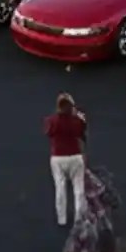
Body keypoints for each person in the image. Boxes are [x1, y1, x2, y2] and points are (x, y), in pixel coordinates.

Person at [45, 93, 88, 227]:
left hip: (57, 158)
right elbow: (82, 133)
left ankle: (61, 219)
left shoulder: (51, 120)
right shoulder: (76, 121)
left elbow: (48, 132)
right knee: (79, 190)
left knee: (60, 188)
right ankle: (79, 218)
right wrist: (81, 118)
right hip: (75, 156)